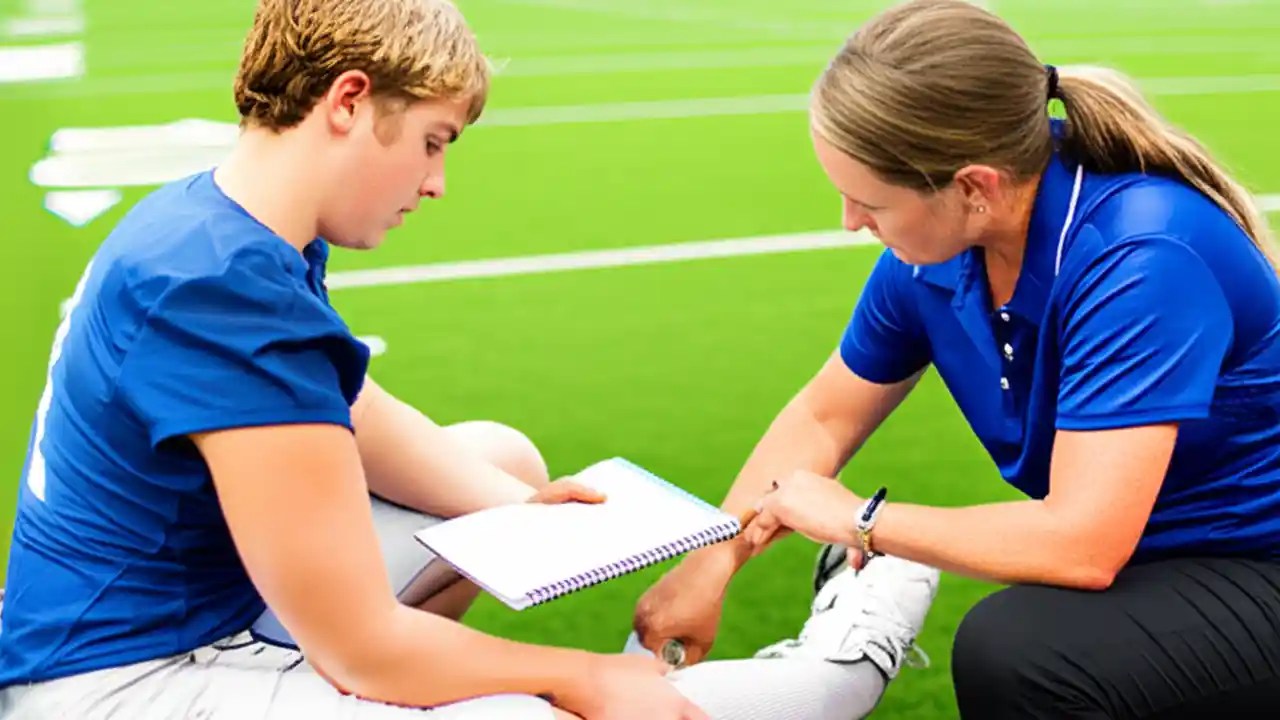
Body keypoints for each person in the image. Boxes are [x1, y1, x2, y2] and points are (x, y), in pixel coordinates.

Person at [0, 1, 940, 718]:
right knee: (525, 712)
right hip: (121, 684)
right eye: (432, 142)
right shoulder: (220, 288)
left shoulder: (226, 221)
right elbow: (363, 644)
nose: (437, 182)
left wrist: (524, 510)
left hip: (163, 615)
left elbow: (348, 406)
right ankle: (840, 669)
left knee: (498, 458)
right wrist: (583, 676)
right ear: (350, 101)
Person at [634, 0, 1280, 717]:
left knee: (1020, 650)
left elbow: (1082, 544)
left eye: (869, 201)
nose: (850, 222)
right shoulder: (931, 257)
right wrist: (709, 564)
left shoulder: (1140, 255)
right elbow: (824, 416)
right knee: (1028, 637)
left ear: (975, 187)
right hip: (1164, 560)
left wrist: (863, 520)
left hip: (1257, 562)